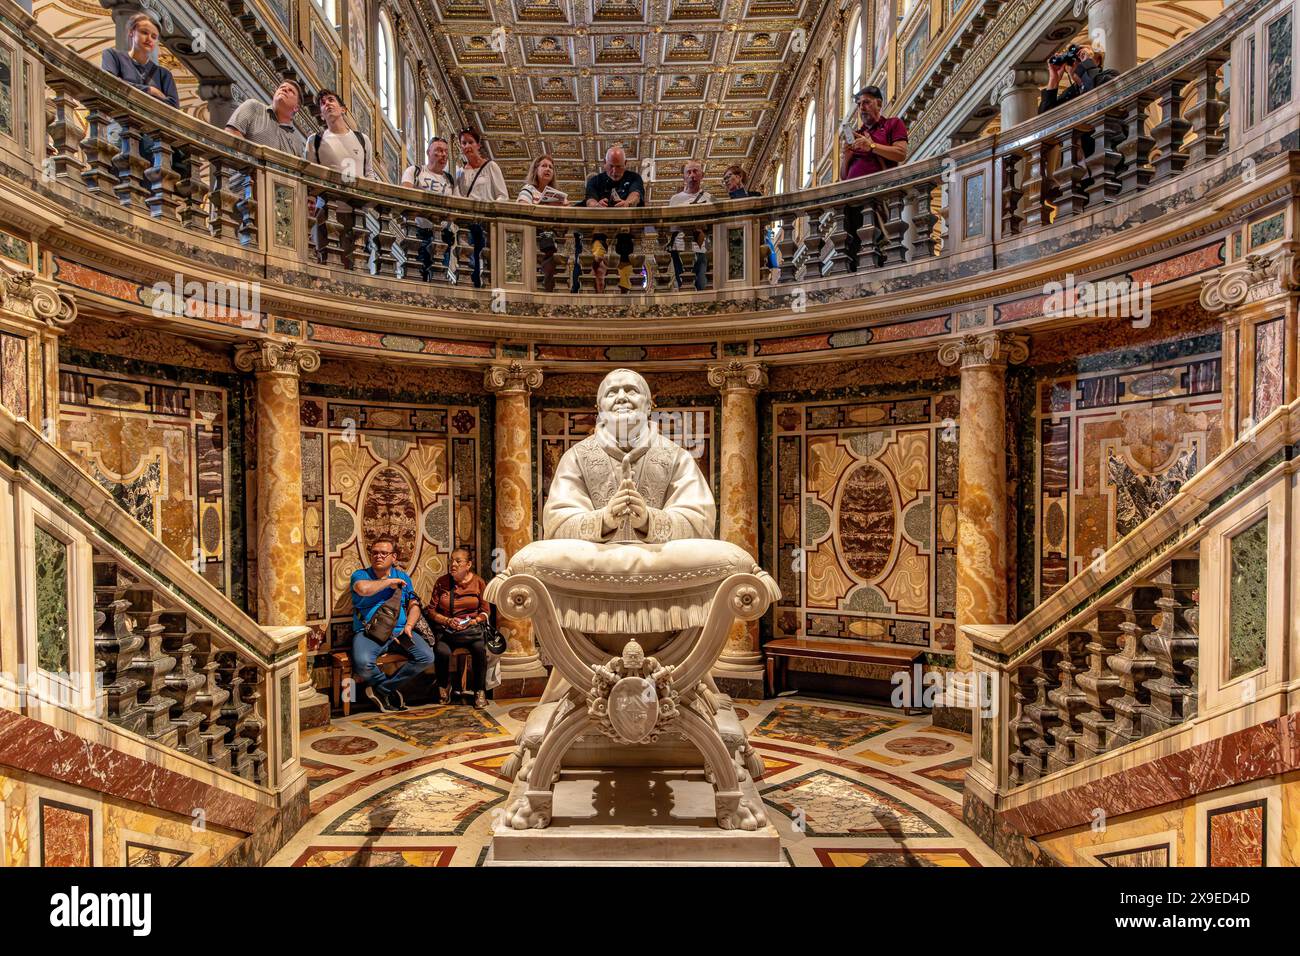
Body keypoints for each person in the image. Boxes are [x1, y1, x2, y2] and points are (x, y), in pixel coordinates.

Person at [543, 367, 715, 542]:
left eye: (631, 390)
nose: (621, 397)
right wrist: (603, 521)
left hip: (657, 556)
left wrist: (649, 521)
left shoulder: (677, 457)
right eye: (611, 392)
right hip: (598, 557)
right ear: (600, 410)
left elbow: (701, 523)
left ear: (649, 406)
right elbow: (555, 524)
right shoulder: (576, 458)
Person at [349, 534, 434, 713]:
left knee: (426, 657)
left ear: (394, 557)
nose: (378, 556)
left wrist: (409, 626)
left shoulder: (403, 577)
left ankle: (382, 690)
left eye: (383, 553)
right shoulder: (360, 575)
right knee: (363, 664)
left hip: (400, 632)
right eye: (375, 553)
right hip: (369, 633)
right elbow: (363, 589)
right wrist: (389, 582)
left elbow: (414, 605)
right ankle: (389, 691)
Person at [100, 13, 188, 178]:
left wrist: (129, 88)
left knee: (153, 172)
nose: (149, 39)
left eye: (154, 36)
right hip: (119, 126)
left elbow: (172, 107)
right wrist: (150, 91)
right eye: (144, 33)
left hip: (151, 135)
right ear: (131, 33)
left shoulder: (163, 74)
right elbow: (110, 85)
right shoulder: (112, 56)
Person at [839, 86, 909, 271]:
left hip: (878, 195)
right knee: (854, 247)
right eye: (859, 104)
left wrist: (871, 146)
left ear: (879, 103)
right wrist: (846, 157)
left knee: (880, 243)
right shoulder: (857, 135)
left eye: (866, 102)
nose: (861, 107)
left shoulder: (892, 124)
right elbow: (844, 177)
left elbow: (900, 153)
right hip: (852, 198)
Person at [305, 89, 374, 267]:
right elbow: (310, 179)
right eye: (322, 103)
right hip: (327, 210)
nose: (327, 104)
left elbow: (369, 173)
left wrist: (370, 200)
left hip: (356, 212)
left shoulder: (362, 139)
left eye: (331, 100)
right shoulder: (315, 141)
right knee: (326, 263)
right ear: (321, 114)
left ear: (343, 109)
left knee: (356, 265)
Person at [425, 548, 492, 708]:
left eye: (458, 561)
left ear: (468, 565)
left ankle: (479, 690)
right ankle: (443, 686)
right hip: (448, 632)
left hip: (471, 631)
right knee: (441, 651)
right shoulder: (442, 582)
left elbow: (485, 611)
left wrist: (474, 621)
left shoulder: (478, 582)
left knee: (479, 650)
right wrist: (447, 620)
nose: (453, 564)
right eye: (451, 561)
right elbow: (431, 611)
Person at [580, 146, 645, 294]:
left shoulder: (634, 178)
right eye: (611, 166)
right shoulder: (595, 181)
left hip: (627, 240)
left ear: (625, 164)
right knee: (597, 264)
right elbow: (589, 200)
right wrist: (596, 205)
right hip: (600, 236)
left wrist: (627, 203)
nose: (614, 171)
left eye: (619, 167)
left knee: (624, 284)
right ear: (604, 163)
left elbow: (636, 195)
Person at [455, 128, 508, 288]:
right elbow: (458, 197)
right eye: (464, 143)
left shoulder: (491, 166)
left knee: (487, 256)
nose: (467, 146)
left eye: (470, 142)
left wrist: (491, 210)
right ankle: (470, 288)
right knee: (468, 258)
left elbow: (502, 195)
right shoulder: (460, 173)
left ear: (478, 145)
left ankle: (489, 288)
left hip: (486, 222)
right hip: (468, 222)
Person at [402, 136, 457, 282]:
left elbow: (456, 206)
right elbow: (405, 194)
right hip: (419, 233)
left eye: (445, 151)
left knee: (439, 279)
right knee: (415, 277)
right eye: (439, 150)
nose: (443, 154)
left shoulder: (450, 180)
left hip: (443, 236)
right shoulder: (415, 171)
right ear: (428, 152)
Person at [517, 154, 567, 291]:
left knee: (550, 268)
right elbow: (523, 207)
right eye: (544, 166)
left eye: (551, 167)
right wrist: (542, 205)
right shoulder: (528, 189)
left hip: (550, 237)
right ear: (536, 169)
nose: (548, 169)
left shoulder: (555, 194)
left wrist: (563, 206)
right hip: (532, 237)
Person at [223, 79, 307, 156]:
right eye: (282, 87)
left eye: (291, 91)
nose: (284, 89)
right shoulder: (254, 107)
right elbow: (231, 133)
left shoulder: (297, 142)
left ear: (296, 108)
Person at [722, 165, 779, 270]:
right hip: (737, 242)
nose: (726, 181)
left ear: (739, 177)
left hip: (756, 237)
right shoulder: (726, 205)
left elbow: (765, 216)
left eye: (729, 176)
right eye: (724, 179)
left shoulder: (756, 196)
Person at [666, 160, 712, 291]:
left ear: (702, 175)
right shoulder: (675, 199)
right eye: (689, 172)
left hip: (701, 248)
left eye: (695, 171)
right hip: (679, 246)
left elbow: (713, 226)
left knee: (702, 284)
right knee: (683, 286)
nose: (692, 175)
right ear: (684, 176)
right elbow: (671, 227)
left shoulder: (710, 198)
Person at [1038, 44, 1117, 114]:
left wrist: (1087, 63)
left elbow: (1103, 93)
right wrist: (1053, 80)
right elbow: (1045, 120)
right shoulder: (1069, 94)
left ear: (1097, 61)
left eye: (1082, 54)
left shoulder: (1110, 75)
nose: (1076, 61)